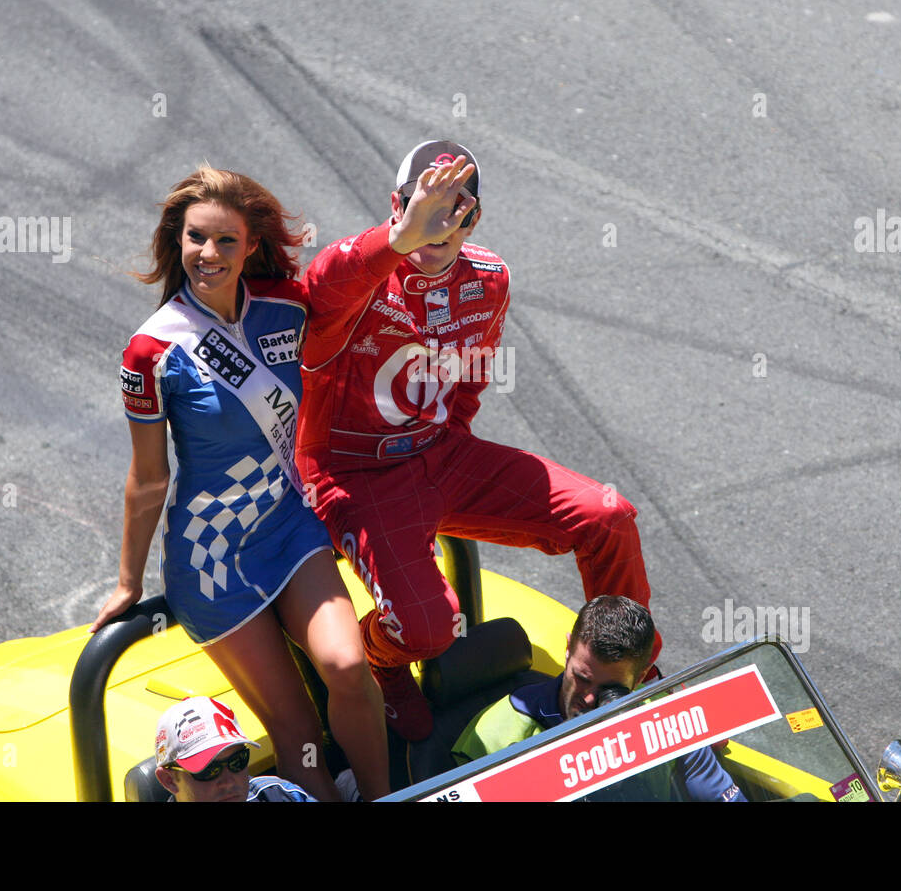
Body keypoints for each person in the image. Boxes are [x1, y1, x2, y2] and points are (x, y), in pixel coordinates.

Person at [298, 141, 659, 740]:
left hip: (441, 453)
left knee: (608, 516)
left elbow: (468, 384)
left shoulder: (489, 278)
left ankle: (626, 673)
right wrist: (400, 238)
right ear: (396, 205)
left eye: (455, 208)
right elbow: (321, 286)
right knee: (428, 630)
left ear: (474, 219)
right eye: (421, 202)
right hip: (353, 472)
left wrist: (443, 479)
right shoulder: (359, 275)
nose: (438, 219)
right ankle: (382, 660)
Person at [92, 167, 389, 802]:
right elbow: (148, 478)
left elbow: (356, 290)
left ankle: (385, 795)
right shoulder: (151, 350)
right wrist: (128, 582)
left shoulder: (286, 305)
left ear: (251, 245)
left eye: (226, 240)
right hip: (210, 558)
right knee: (296, 729)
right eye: (197, 237)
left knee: (346, 665)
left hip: (288, 526)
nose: (210, 253)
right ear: (177, 240)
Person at [452, 596, 743, 802]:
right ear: (568, 648)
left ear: (641, 676)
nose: (589, 699)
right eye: (581, 678)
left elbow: (719, 794)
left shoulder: (665, 717)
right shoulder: (497, 738)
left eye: (611, 689)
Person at [154, 696, 315, 802]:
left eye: (237, 761)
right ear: (169, 780)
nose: (228, 782)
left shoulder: (279, 795)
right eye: (209, 770)